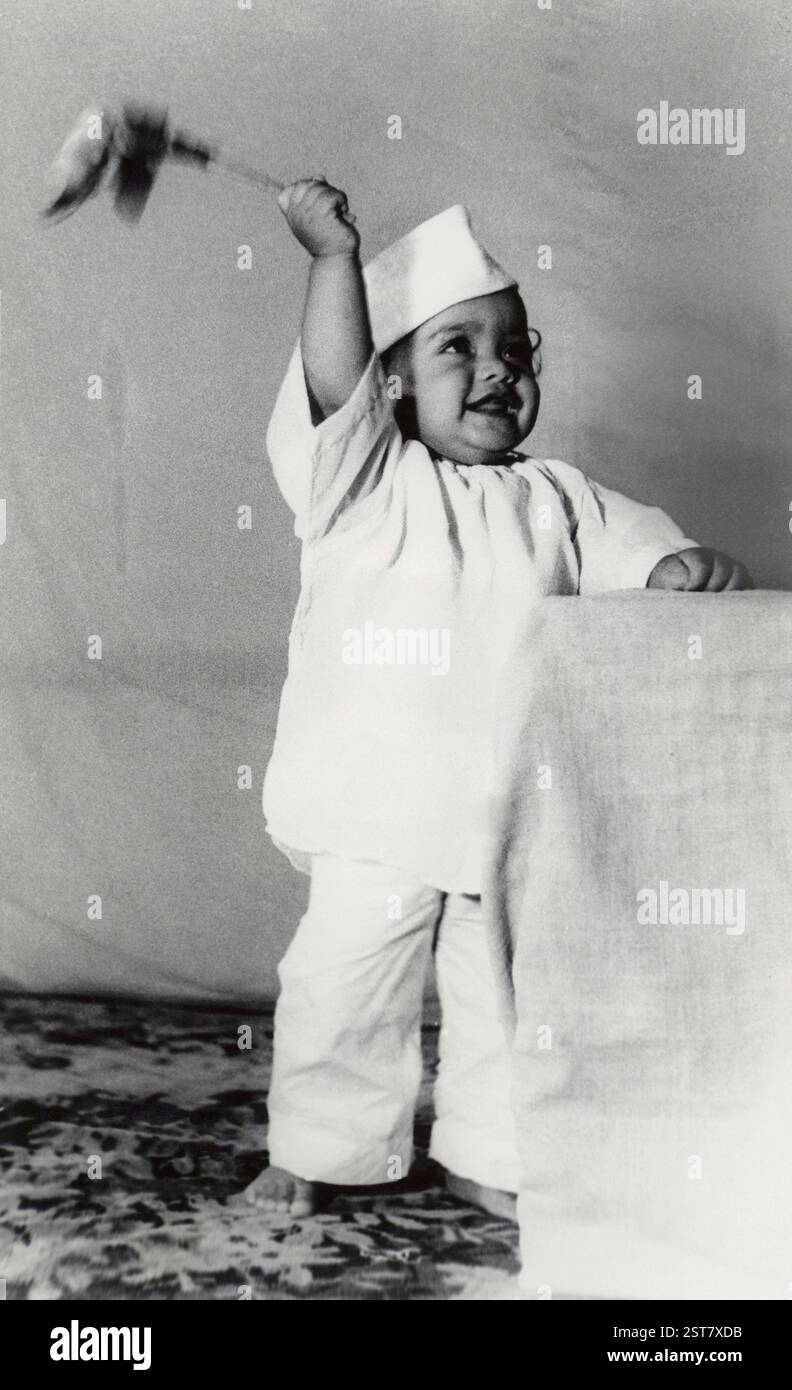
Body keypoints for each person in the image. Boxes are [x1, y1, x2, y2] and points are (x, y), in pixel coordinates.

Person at [242, 179, 752, 1217]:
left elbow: (638, 547)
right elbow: (334, 385)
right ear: (390, 384)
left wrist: (674, 566)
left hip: (508, 812)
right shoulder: (368, 487)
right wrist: (334, 263)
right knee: (347, 986)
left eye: (514, 350)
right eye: (457, 348)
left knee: (509, 999)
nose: (496, 372)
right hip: (377, 806)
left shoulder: (556, 494)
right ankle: (323, 1151)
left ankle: (494, 1152)